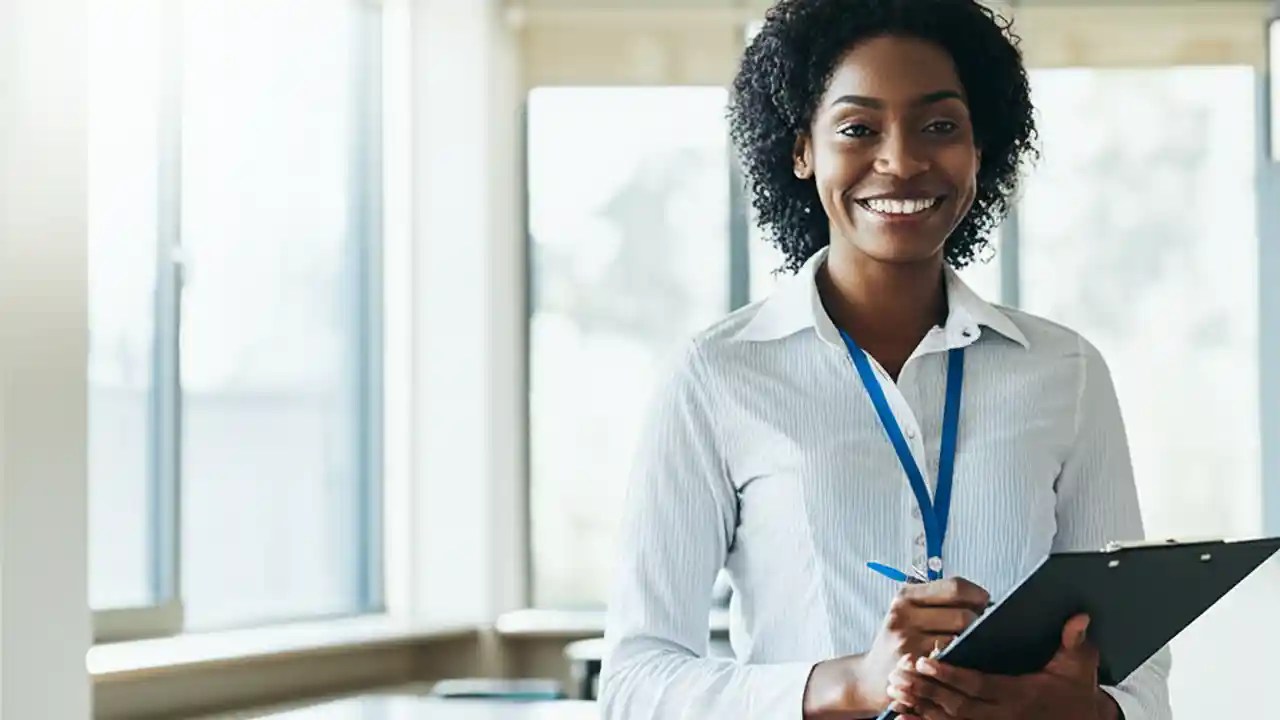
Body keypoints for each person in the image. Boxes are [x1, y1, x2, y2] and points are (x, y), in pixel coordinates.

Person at [599, 0, 1173, 718]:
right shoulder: (717, 377)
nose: (901, 161)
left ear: (980, 146)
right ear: (801, 148)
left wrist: (1081, 710)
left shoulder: (1066, 372)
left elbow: (1142, 686)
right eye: (857, 128)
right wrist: (849, 683)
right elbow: (633, 684)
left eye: (939, 126)